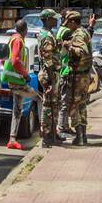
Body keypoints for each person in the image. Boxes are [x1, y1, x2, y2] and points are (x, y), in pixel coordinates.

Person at [3, 21, 39, 150]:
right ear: (25, 30)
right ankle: (45, 130)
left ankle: (12, 139)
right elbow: (15, 60)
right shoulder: (18, 41)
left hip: (14, 81)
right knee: (39, 99)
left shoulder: (13, 39)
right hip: (17, 81)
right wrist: (25, 74)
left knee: (17, 110)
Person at [35, 9, 65, 147]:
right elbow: (48, 59)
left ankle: (53, 133)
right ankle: (47, 136)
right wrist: (52, 79)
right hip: (49, 74)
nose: (56, 20)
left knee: (55, 104)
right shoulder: (46, 36)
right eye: (53, 18)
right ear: (47, 20)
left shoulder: (48, 34)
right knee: (48, 106)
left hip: (52, 74)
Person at [64, 12, 94, 146]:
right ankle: (84, 135)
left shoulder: (78, 35)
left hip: (78, 76)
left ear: (73, 22)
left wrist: (68, 46)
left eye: (68, 22)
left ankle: (79, 136)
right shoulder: (84, 32)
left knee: (74, 105)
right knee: (82, 105)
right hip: (84, 75)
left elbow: (81, 51)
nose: (66, 25)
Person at [56, 10, 79, 135]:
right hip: (65, 70)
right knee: (65, 101)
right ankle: (61, 128)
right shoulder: (67, 32)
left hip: (62, 69)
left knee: (64, 100)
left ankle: (64, 126)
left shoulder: (60, 30)